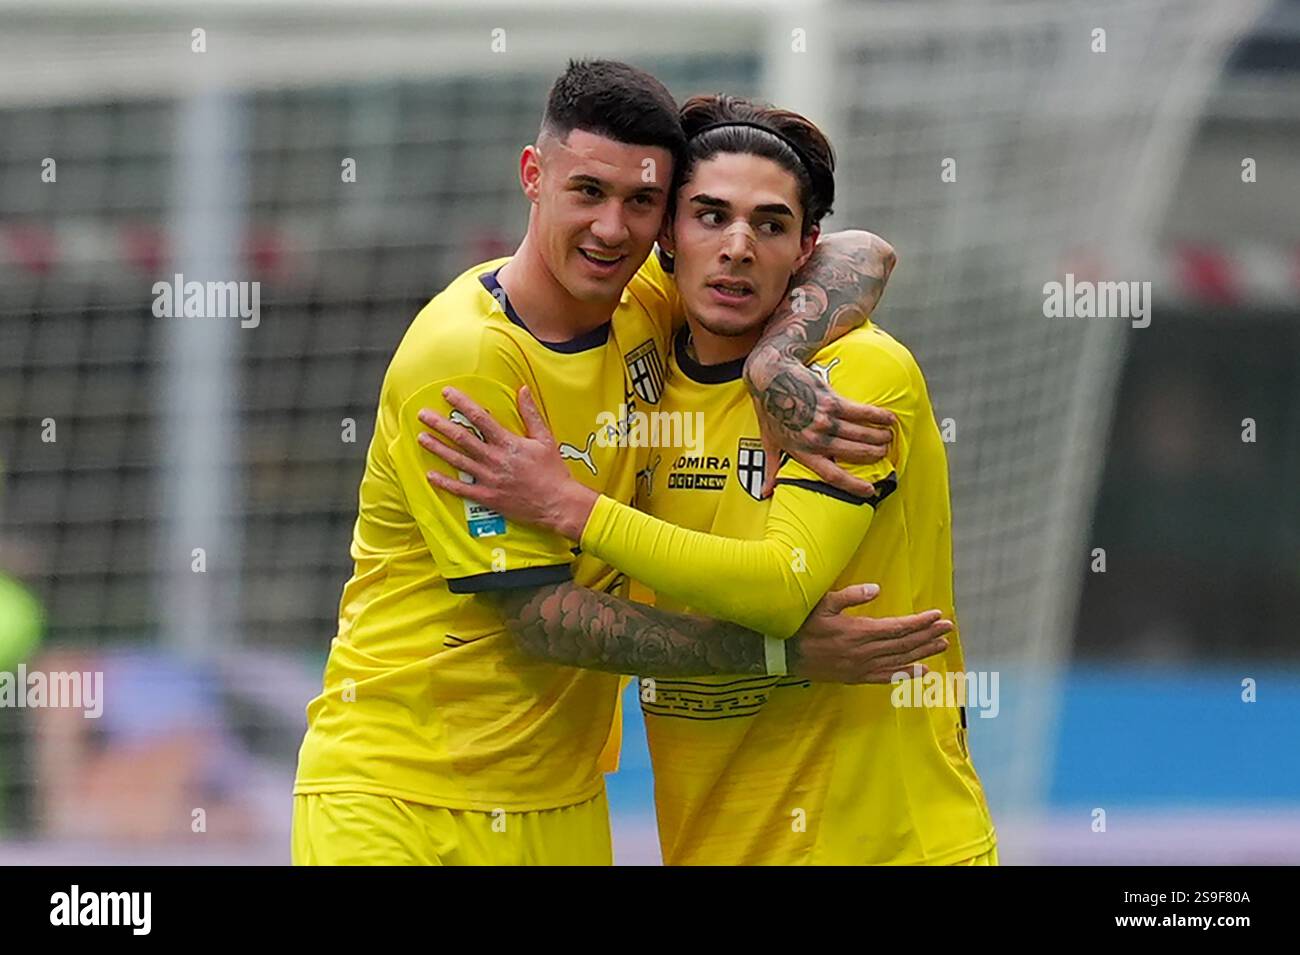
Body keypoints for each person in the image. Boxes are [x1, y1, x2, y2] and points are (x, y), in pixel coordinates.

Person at [293, 62, 945, 865]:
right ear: (533, 177)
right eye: (587, 193)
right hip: (402, 793)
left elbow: (858, 250)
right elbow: (539, 617)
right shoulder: (466, 357)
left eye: (640, 202)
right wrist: (779, 653)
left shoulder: (648, 303)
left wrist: (774, 360)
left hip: (560, 796)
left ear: (661, 228)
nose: (611, 228)